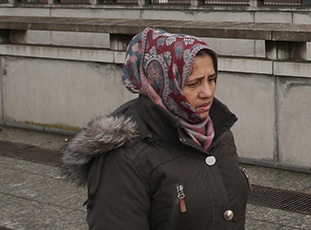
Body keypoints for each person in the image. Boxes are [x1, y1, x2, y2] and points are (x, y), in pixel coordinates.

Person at [61, 28, 249, 229]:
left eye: (211, 79)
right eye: (193, 83)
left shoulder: (217, 131)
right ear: (163, 84)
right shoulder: (126, 156)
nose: (207, 92)